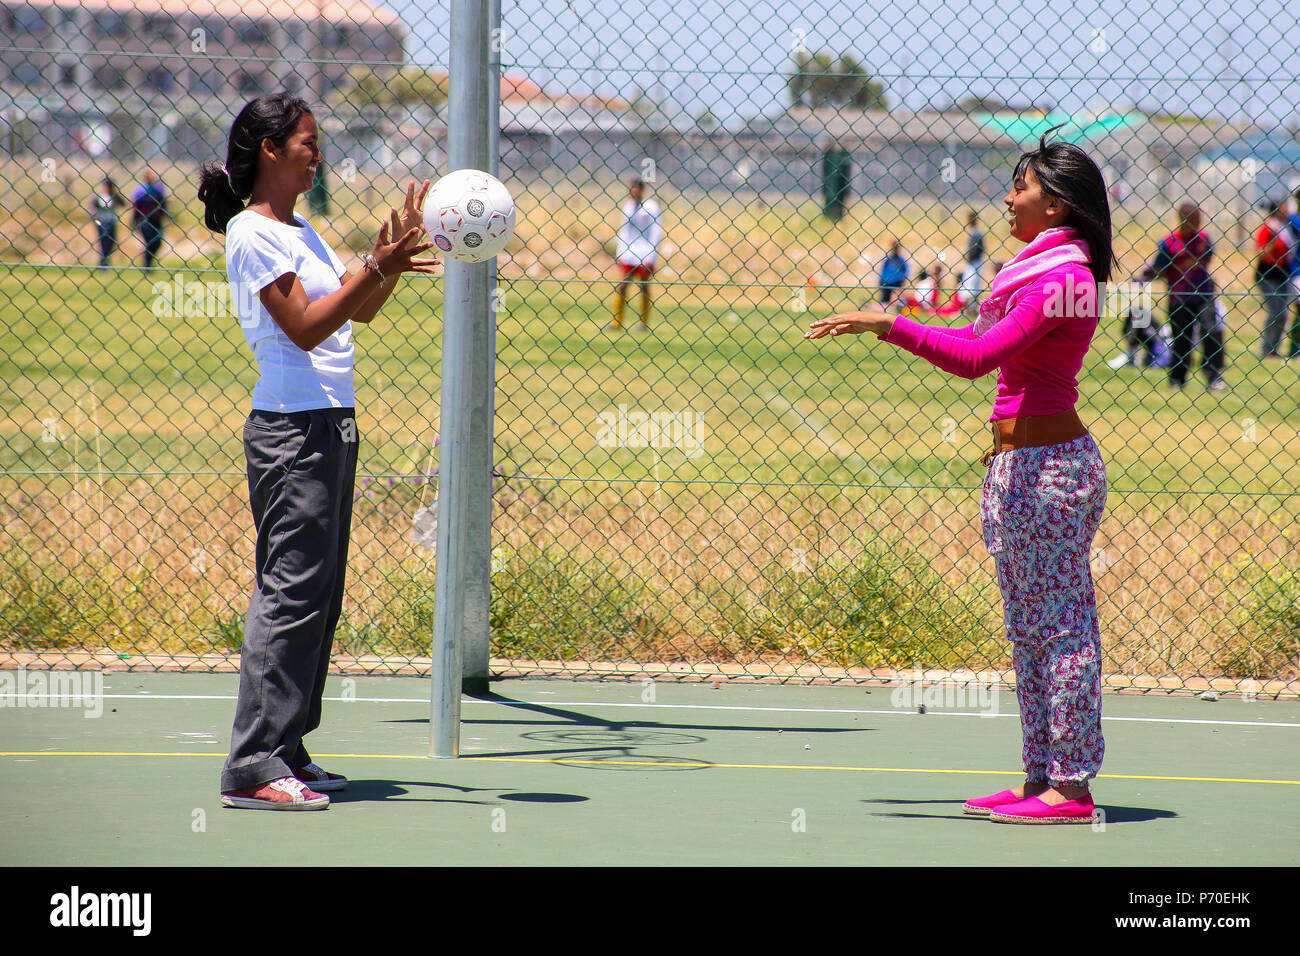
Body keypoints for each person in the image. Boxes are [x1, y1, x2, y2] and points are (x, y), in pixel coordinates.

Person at [804, 129, 1115, 825]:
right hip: (1020, 462)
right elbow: (980, 348)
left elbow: (978, 358)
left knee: (1061, 629)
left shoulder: (1063, 280)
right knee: (1028, 627)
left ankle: (1072, 787)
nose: (1008, 199)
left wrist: (888, 323)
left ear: (1057, 205)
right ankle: (1042, 776)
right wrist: (895, 321)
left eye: (1022, 188)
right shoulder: (1044, 271)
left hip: (1050, 469)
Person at [197, 93, 438, 810]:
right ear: (270, 149)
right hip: (291, 430)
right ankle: (252, 764)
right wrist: (374, 261)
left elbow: (354, 311)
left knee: (319, 597)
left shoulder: (301, 229)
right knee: (290, 592)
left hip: (330, 423)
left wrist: (387, 265)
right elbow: (303, 328)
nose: (318, 152)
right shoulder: (253, 233)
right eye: (307, 141)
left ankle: (288, 745)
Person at [1150, 202, 1224, 391]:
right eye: (1195, 219)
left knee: (1211, 331)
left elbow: (1207, 259)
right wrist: (1173, 269)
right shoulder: (1168, 241)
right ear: (1184, 219)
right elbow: (1159, 268)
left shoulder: (1203, 238)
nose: (1199, 222)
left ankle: (1213, 376)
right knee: (1182, 338)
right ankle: (1177, 379)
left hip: (1203, 294)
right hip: (1179, 297)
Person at [608, 177, 662, 332]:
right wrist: (620, 252)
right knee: (623, 285)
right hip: (629, 253)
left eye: (636, 188)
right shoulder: (628, 207)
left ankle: (643, 323)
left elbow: (656, 232)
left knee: (644, 286)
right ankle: (617, 322)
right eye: (631, 188)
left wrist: (651, 256)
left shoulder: (651, 207)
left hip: (645, 253)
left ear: (641, 190)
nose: (633, 191)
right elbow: (624, 231)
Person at [1254, 199, 1294, 360]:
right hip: (1268, 275)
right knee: (1276, 312)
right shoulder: (1267, 229)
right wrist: (1272, 241)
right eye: (1283, 210)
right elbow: (1260, 253)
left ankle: (1273, 350)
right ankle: (1266, 349)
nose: (1287, 213)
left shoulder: (1286, 228)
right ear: (1275, 211)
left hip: (1282, 274)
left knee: (1282, 314)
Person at [131, 170, 170, 269]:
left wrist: (166, 215)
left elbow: (163, 204)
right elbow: (136, 207)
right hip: (144, 220)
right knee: (149, 241)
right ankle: (147, 264)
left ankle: (148, 262)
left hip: (156, 220)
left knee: (158, 242)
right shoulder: (140, 190)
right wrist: (134, 220)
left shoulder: (157, 190)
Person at [89, 177, 124, 267]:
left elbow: (123, 204)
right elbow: (92, 208)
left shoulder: (114, 196)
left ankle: (105, 260)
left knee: (112, 242)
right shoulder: (99, 197)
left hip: (111, 222)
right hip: (102, 222)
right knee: (104, 242)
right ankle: (103, 263)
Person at [878, 240, 909, 305]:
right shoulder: (888, 259)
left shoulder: (901, 259)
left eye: (897, 247)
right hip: (886, 283)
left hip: (896, 283)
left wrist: (902, 279)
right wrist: (881, 281)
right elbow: (883, 271)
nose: (895, 249)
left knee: (894, 301)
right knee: (884, 301)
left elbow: (905, 271)